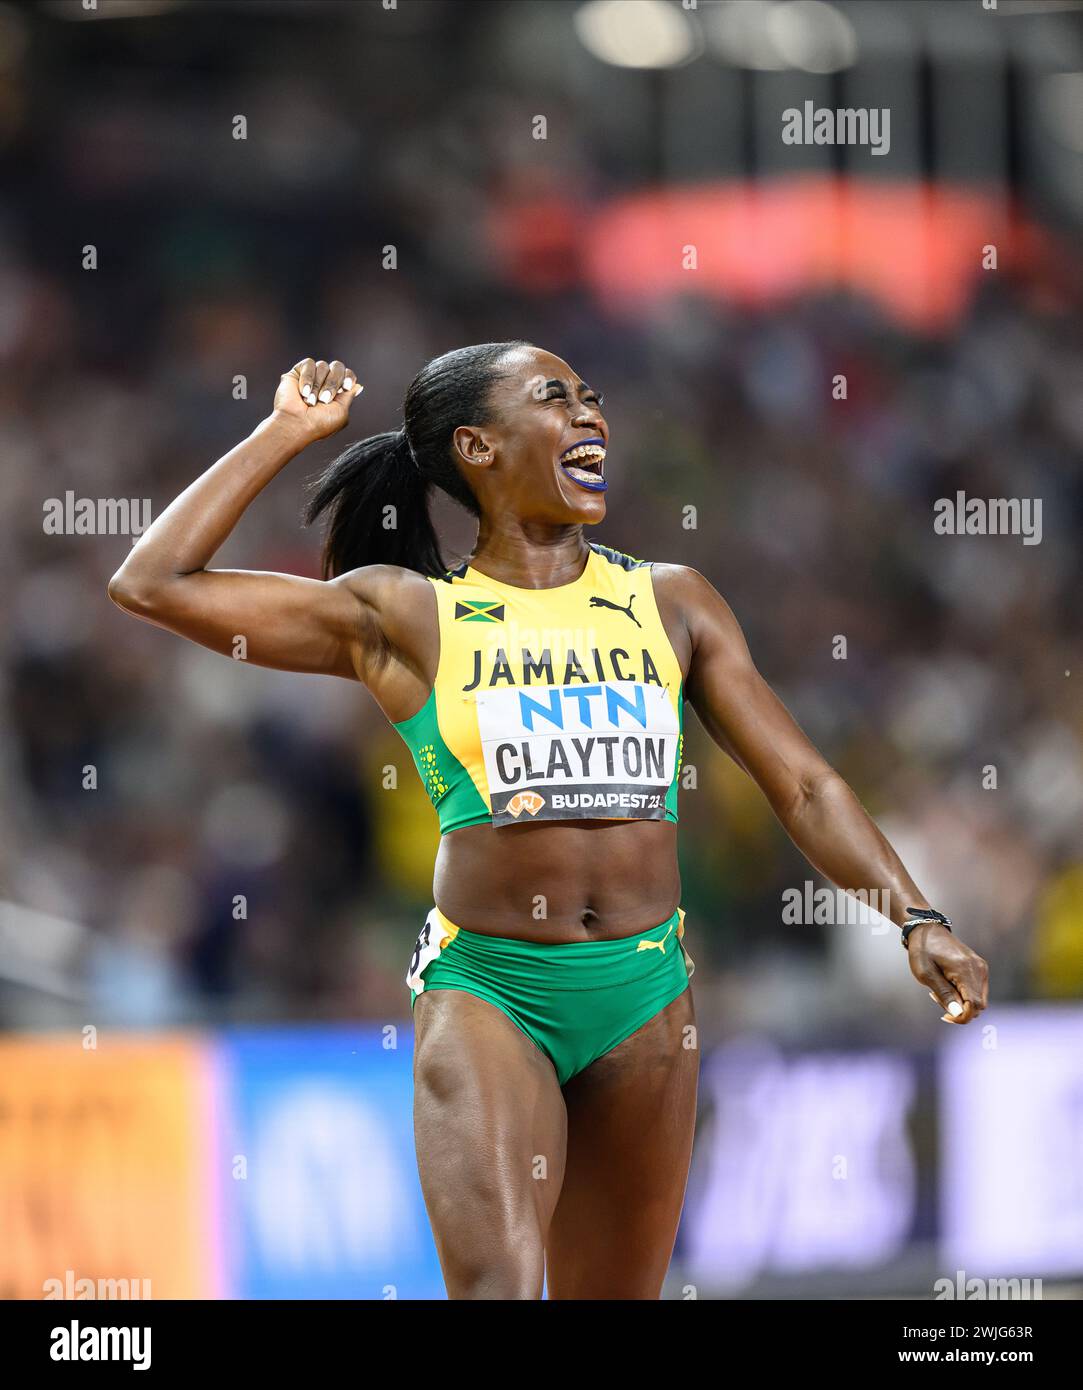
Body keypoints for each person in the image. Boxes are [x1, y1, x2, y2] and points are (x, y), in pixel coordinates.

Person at [107, 341, 989, 1300]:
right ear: (477, 448)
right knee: (501, 1288)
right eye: (555, 400)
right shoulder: (405, 614)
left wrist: (914, 915)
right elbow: (152, 583)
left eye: (592, 400)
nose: (589, 418)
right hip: (490, 991)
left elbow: (805, 787)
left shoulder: (673, 602)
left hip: (645, 996)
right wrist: (282, 433)